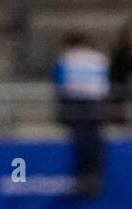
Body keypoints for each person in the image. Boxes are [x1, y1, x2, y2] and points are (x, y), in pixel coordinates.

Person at [53, 33, 108, 197]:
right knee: (89, 132)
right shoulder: (98, 59)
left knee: (89, 132)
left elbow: (60, 86)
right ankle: (89, 175)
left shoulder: (65, 58)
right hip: (83, 107)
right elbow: (102, 89)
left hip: (81, 106)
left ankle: (89, 175)